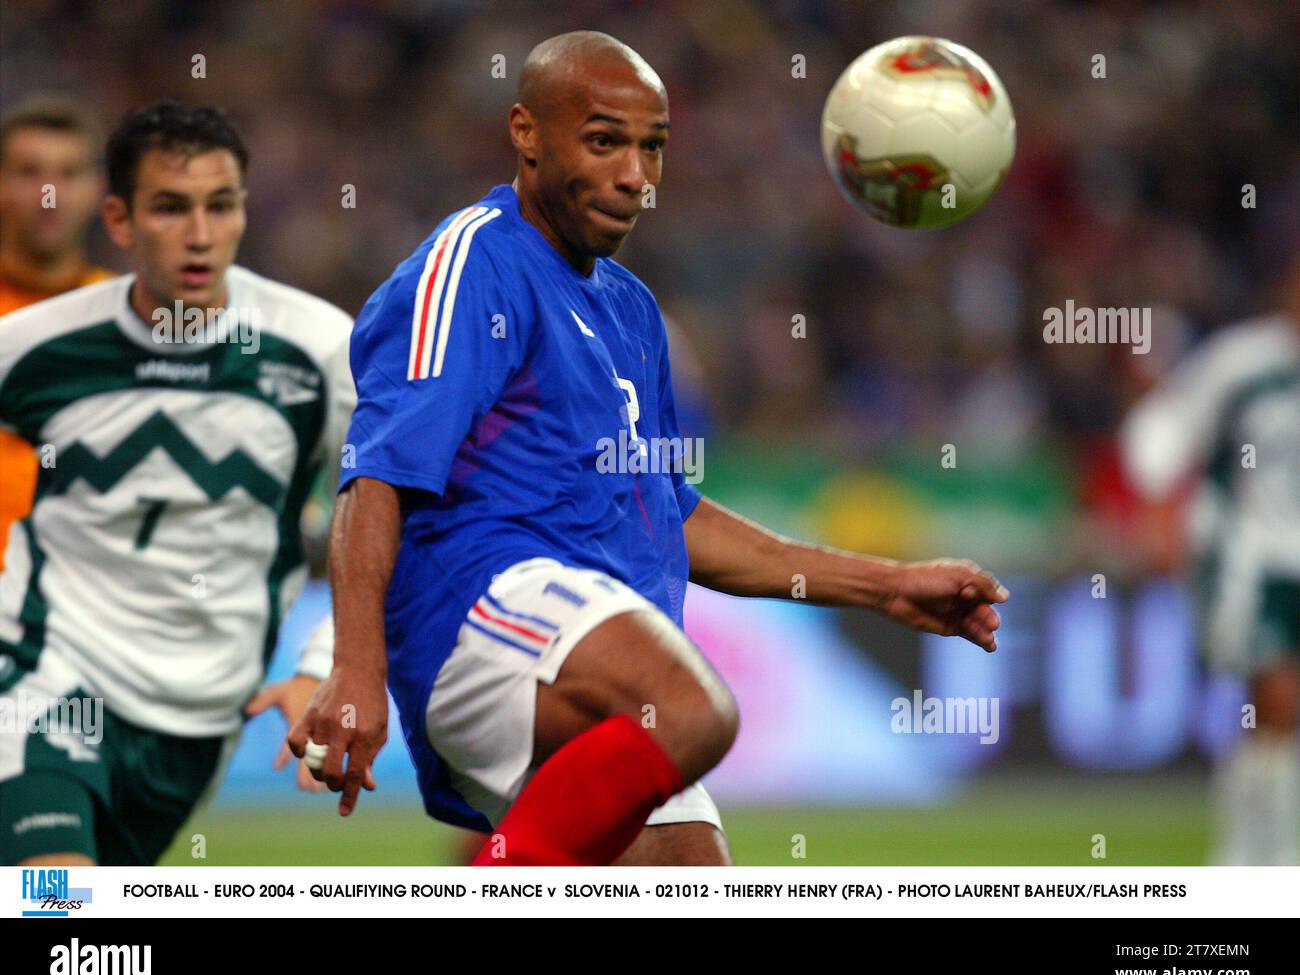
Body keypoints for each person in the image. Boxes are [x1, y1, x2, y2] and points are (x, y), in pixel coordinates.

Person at [291, 32, 1007, 866]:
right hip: (480, 617)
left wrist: (886, 587)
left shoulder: (630, 313)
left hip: (580, 656)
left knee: (690, 875)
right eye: (605, 142)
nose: (636, 175)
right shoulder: (472, 264)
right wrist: (354, 670)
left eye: (652, 148)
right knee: (690, 706)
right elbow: (377, 471)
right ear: (526, 133)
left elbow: (674, 519)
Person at [0, 102, 353, 865]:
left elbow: (391, 518)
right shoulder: (38, 347)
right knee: (52, 903)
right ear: (120, 221)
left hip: (202, 714)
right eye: (171, 207)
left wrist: (324, 666)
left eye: (220, 206)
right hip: (52, 674)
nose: (200, 234)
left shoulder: (319, 352)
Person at [1122, 254, 1300, 865]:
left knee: (1281, 713)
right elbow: (1165, 431)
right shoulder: (1243, 363)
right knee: (1276, 699)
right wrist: (1161, 509)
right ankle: (1257, 854)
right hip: (1249, 558)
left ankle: (1261, 850)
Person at [0, 96, 115, 572]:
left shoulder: (130, 318)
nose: (50, 193)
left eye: (68, 174)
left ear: (99, 191)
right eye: (30, 172)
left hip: (88, 603)